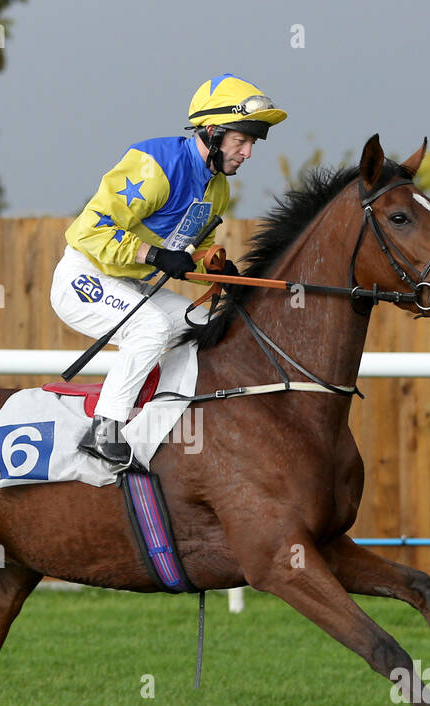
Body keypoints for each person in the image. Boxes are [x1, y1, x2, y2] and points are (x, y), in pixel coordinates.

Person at [50, 73, 287, 469]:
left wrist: (218, 268)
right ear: (212, 133)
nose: (248, 153)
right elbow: (89, 231)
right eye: (241, 141)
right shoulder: (156, 164)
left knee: (208, 321)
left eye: (252, 144)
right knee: (152, 329)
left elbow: (194, 247)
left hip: (131, 284)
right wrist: (155, 255)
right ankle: (104, 428)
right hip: (85, 277)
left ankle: (161, 412)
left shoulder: (218, 188)